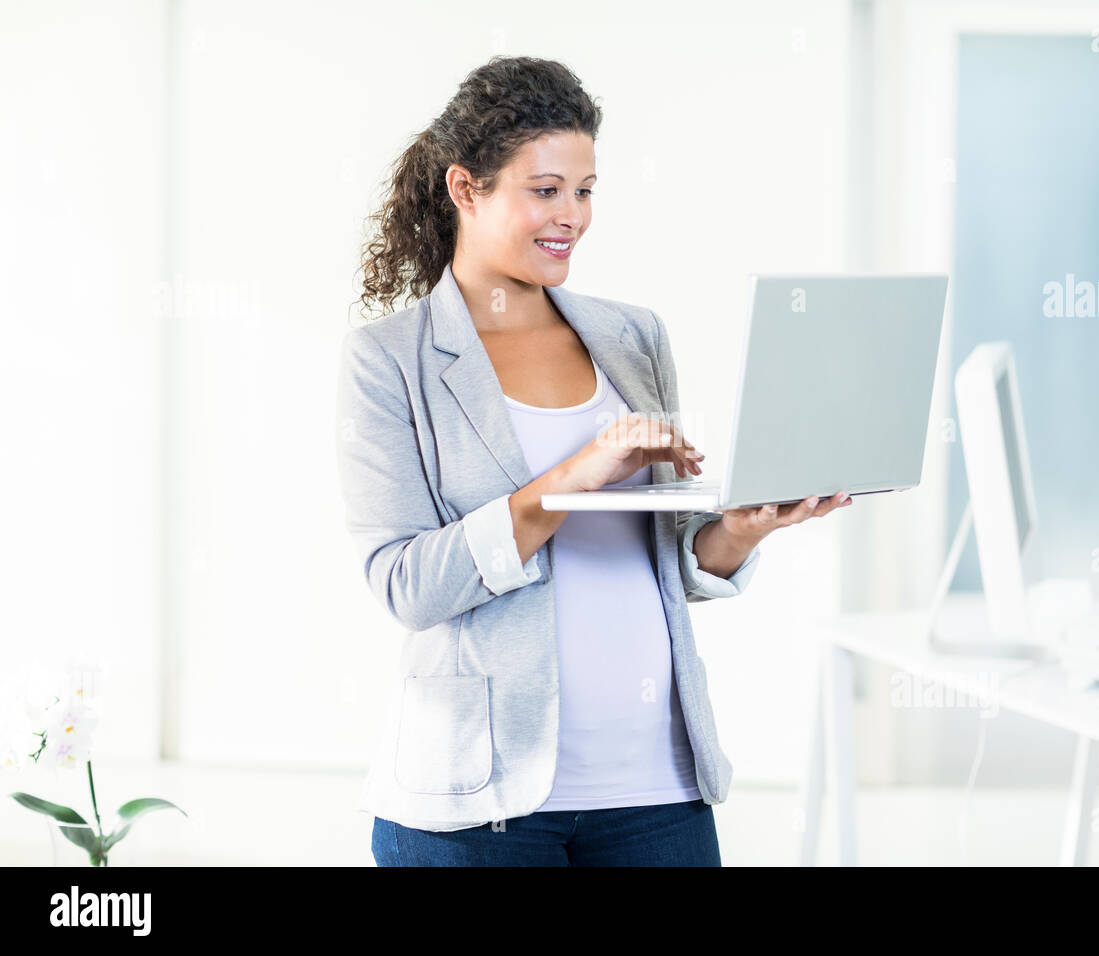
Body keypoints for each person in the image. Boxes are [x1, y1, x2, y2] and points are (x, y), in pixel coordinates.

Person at [337, 55, 851, 867]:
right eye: (544, 190)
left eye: (584, 190)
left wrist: (740, 532)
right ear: (466, 189)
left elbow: (670, 559)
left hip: (655, 787)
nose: (570, 216)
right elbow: (406, 584)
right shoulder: (390, 361)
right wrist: (571, 480)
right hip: (484, 802)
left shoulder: (631, 337)